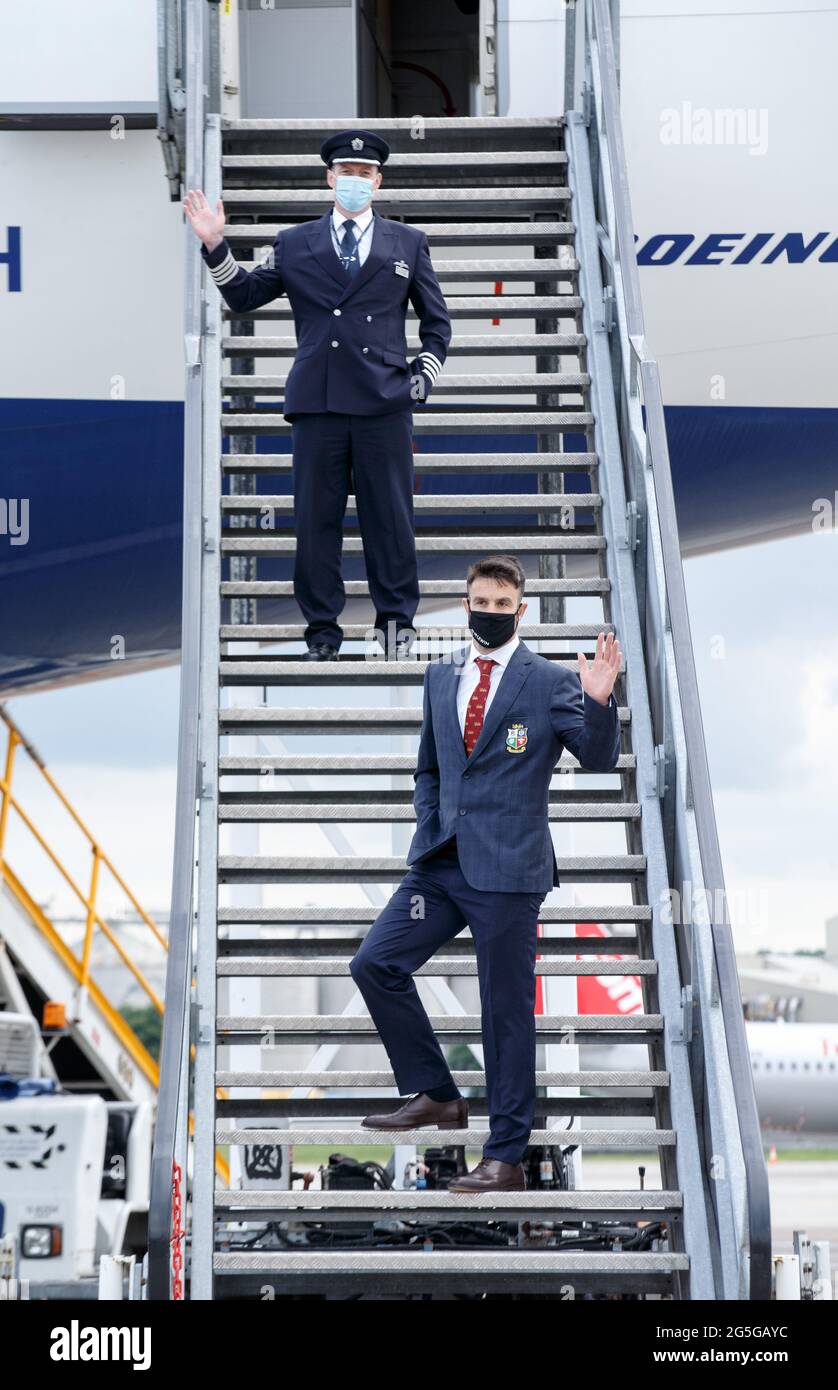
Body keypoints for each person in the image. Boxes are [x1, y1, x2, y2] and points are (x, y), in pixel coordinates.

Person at [349, 553, 622, 1191]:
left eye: (503, 606)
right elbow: (429, 767)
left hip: (508, 874)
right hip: (441, 865)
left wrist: (600, 700)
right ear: (465, 605)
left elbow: (600, 760)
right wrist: (428, 819)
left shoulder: (551, 681)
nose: (491, 613)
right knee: (374, 963)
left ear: (520, 611)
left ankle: (505, 1157)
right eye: (481, 602)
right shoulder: (441, 676)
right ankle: (437, 1093)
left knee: (504, 1015)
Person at [182, 128, 451, 661]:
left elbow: (437, 322)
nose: (355, 182)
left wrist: (424, 372)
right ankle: (322, 635)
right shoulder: (296, 242)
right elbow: (245, 294)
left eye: (364, 174)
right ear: (330, 179)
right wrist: (216, 244)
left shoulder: (407, 242)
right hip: (318, 402)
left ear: (379, 180)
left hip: (384, 401)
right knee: (315, 523)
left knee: (390, 520)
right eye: (346, 174)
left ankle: (396, 628)